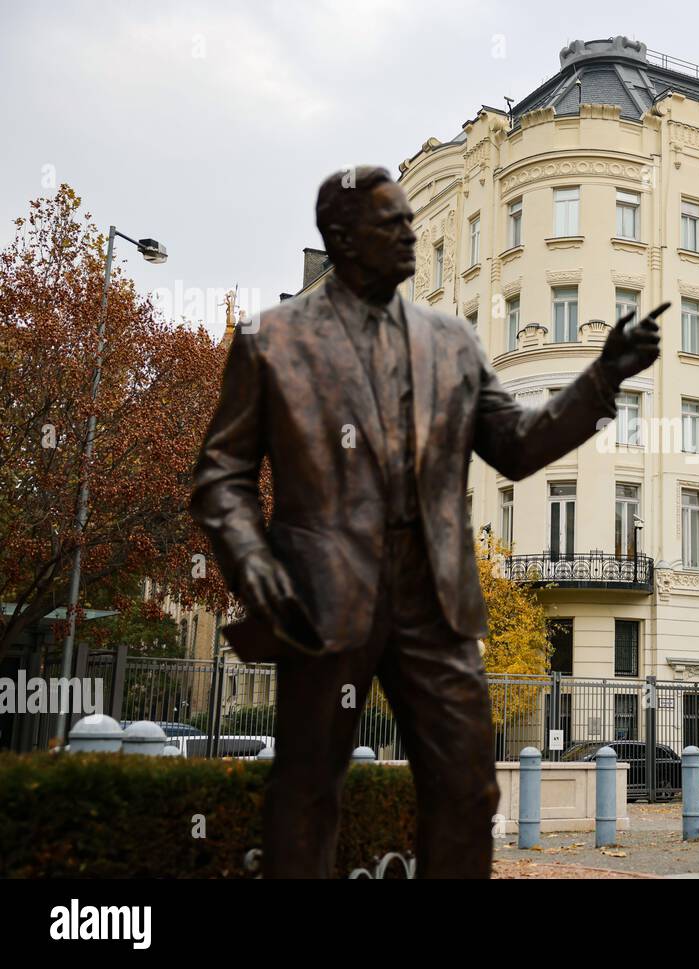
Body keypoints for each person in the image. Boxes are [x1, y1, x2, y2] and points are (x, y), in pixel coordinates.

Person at [191, 166, 665, 878]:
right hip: (320, 597)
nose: (413, 232)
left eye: (412, 219)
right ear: (343, 239)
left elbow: (515, 444)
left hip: (433, 596)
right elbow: (221, 475)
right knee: (307, 790)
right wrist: (255, 564)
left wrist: (602, 379)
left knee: (467, 789)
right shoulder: (272, 339)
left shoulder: (452, 341)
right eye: (395, 223)